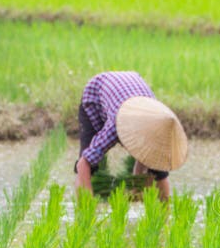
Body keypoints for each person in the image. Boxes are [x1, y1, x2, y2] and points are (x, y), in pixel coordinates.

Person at [74, 71, 188, 200]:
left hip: (131, 88)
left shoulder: (158, 121)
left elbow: (147, 156)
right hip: (95, 96)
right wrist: (87, 216)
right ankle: (85, 213)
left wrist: (136, 187)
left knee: (157, 168)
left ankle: (165, 219)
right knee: (89, 166)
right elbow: (83, 164)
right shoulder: (116, 126)